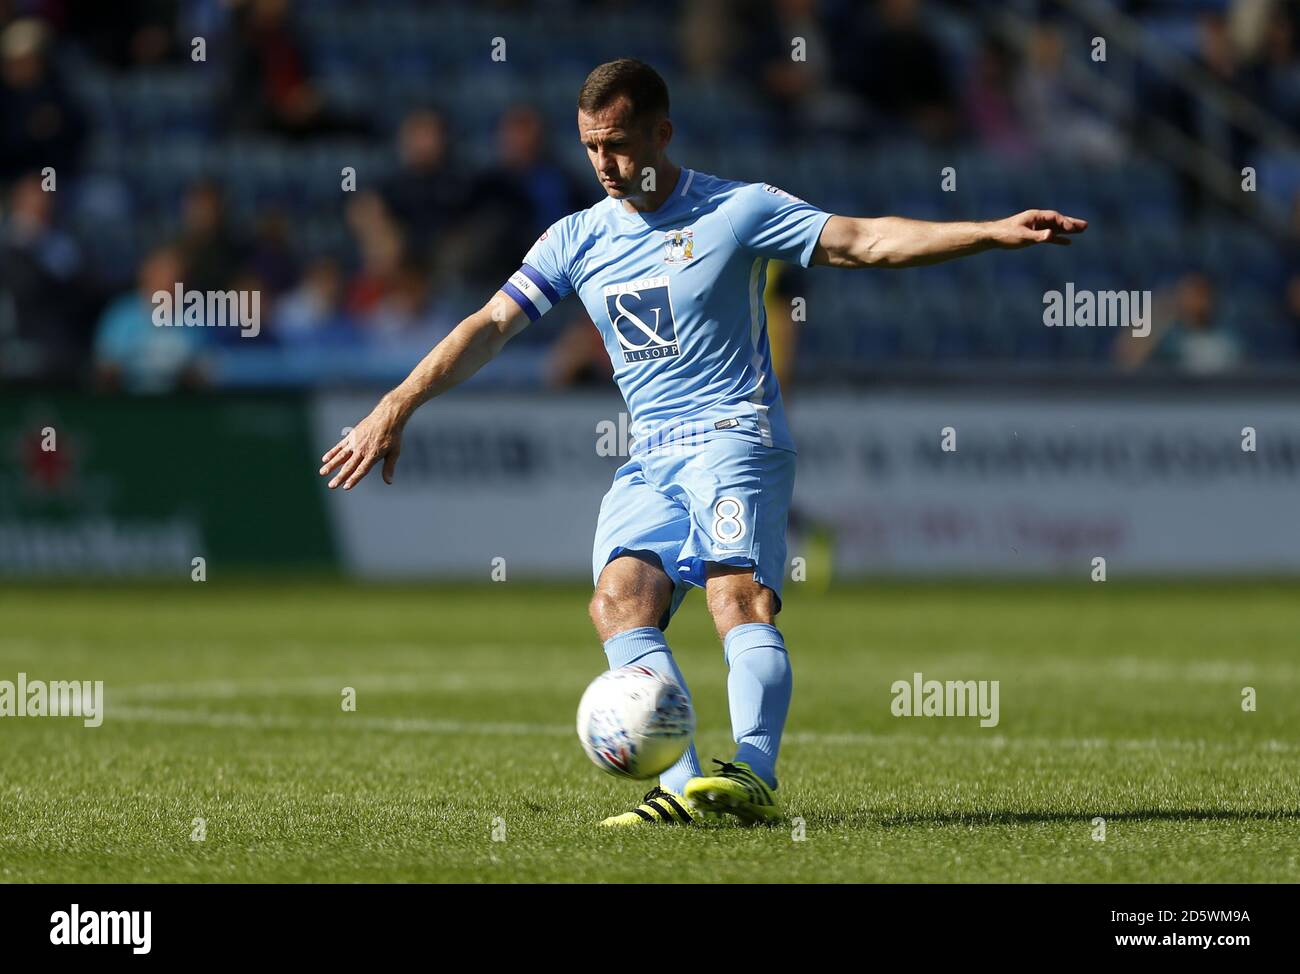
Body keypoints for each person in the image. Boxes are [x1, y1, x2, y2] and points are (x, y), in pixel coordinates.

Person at [318, 58, 1086, 827]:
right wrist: (397, 403)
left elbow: (862, 240)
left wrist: (989, 230)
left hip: (734, 434)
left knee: (735, 597)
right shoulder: (576, 238)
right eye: (590, 146)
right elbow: (488, 326)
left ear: (662, 132)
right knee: (618, 604)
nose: (605, 164)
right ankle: (683, 788)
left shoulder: (737, 210)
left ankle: (752, 772)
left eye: (618, 143)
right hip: (650, 455)